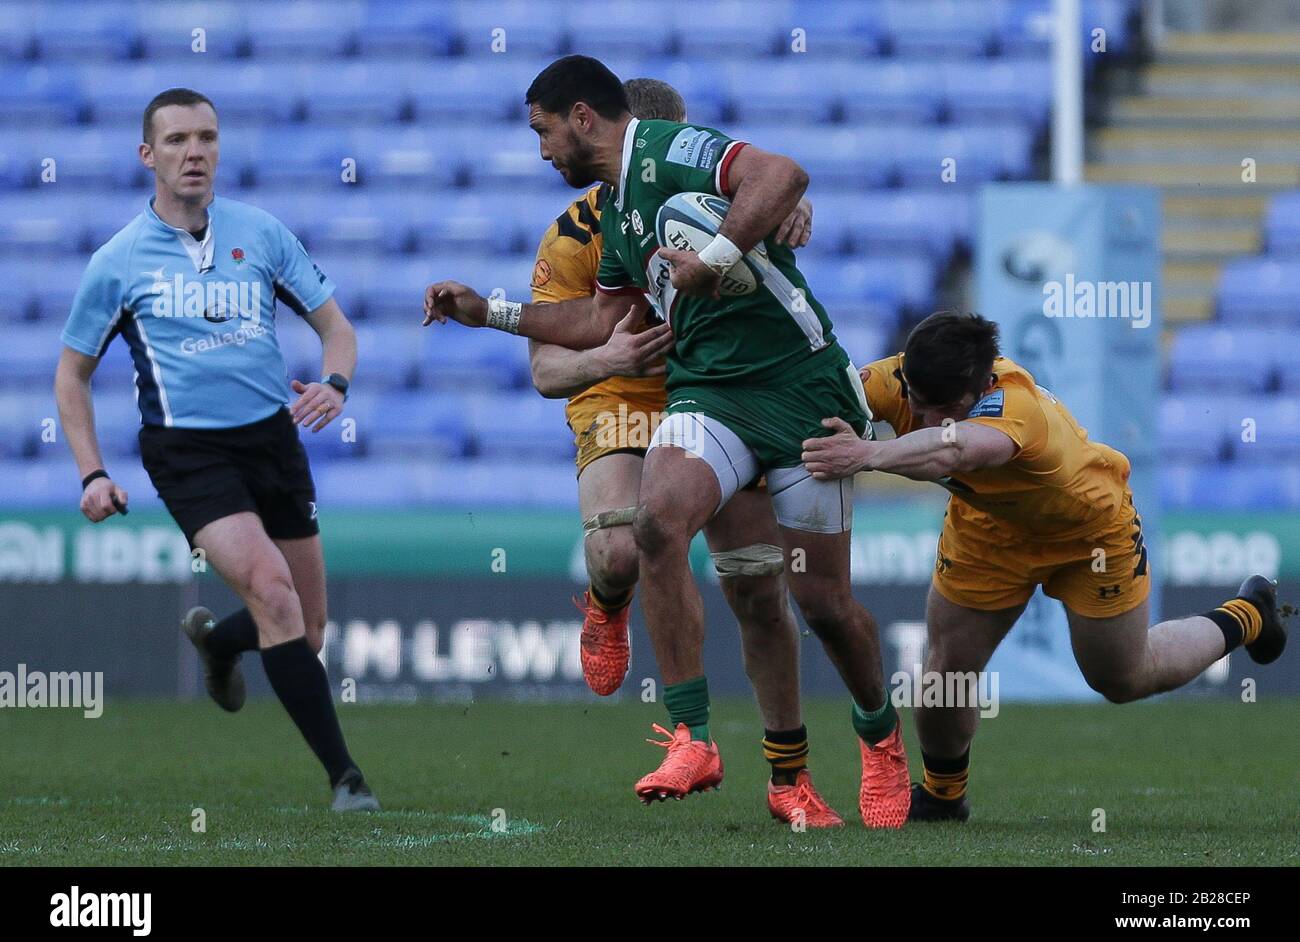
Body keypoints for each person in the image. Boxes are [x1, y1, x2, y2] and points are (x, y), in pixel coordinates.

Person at [424, 57, 910, 828]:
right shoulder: (612, 207)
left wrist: (713, 263)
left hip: (800, 388)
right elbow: (599, 319)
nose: (542, 152)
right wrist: (491, 312)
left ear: (583, 117)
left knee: (824, 606)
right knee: (655, 522)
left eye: (543, 133)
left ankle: (879, 735)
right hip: (708, 390)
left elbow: (784, 173)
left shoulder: (665, 149)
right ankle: (694, 735)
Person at [801, 310, 1290, 821]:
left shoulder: (1016, 410)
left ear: (977, 392)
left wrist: (866, 454)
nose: (920, 417)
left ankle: (1247, 614)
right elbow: (820, 396)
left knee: (1122, 678)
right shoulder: (903, 378)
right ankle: (944, 797)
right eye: (913, 403)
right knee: (946, 670)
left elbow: (955, 451)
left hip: (1089, 535)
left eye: (937, 410)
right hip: (990, 531)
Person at [523, 76, 839, 823]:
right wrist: (611, 359)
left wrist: (775, 221)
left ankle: (788, 774)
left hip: (720, 388)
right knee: (622, 549)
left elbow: (772, 244)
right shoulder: (575, 233)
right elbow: (547, 370)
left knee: (759, 588)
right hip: (626, 390)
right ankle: (609, 606)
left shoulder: (727, 199)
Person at [53, 88, 378, 812]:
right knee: (272, 593)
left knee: (308, 627)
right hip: (187, 452)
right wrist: (92, 473)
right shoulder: (118, 261)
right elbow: (71, 376)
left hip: (272, 441)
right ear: (148, 155)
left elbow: (340, 330)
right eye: (175, 141)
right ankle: (346, 779)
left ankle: (221, 645)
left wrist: (336, 383)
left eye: (205, 138)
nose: (193, 152)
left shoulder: (259, 233)